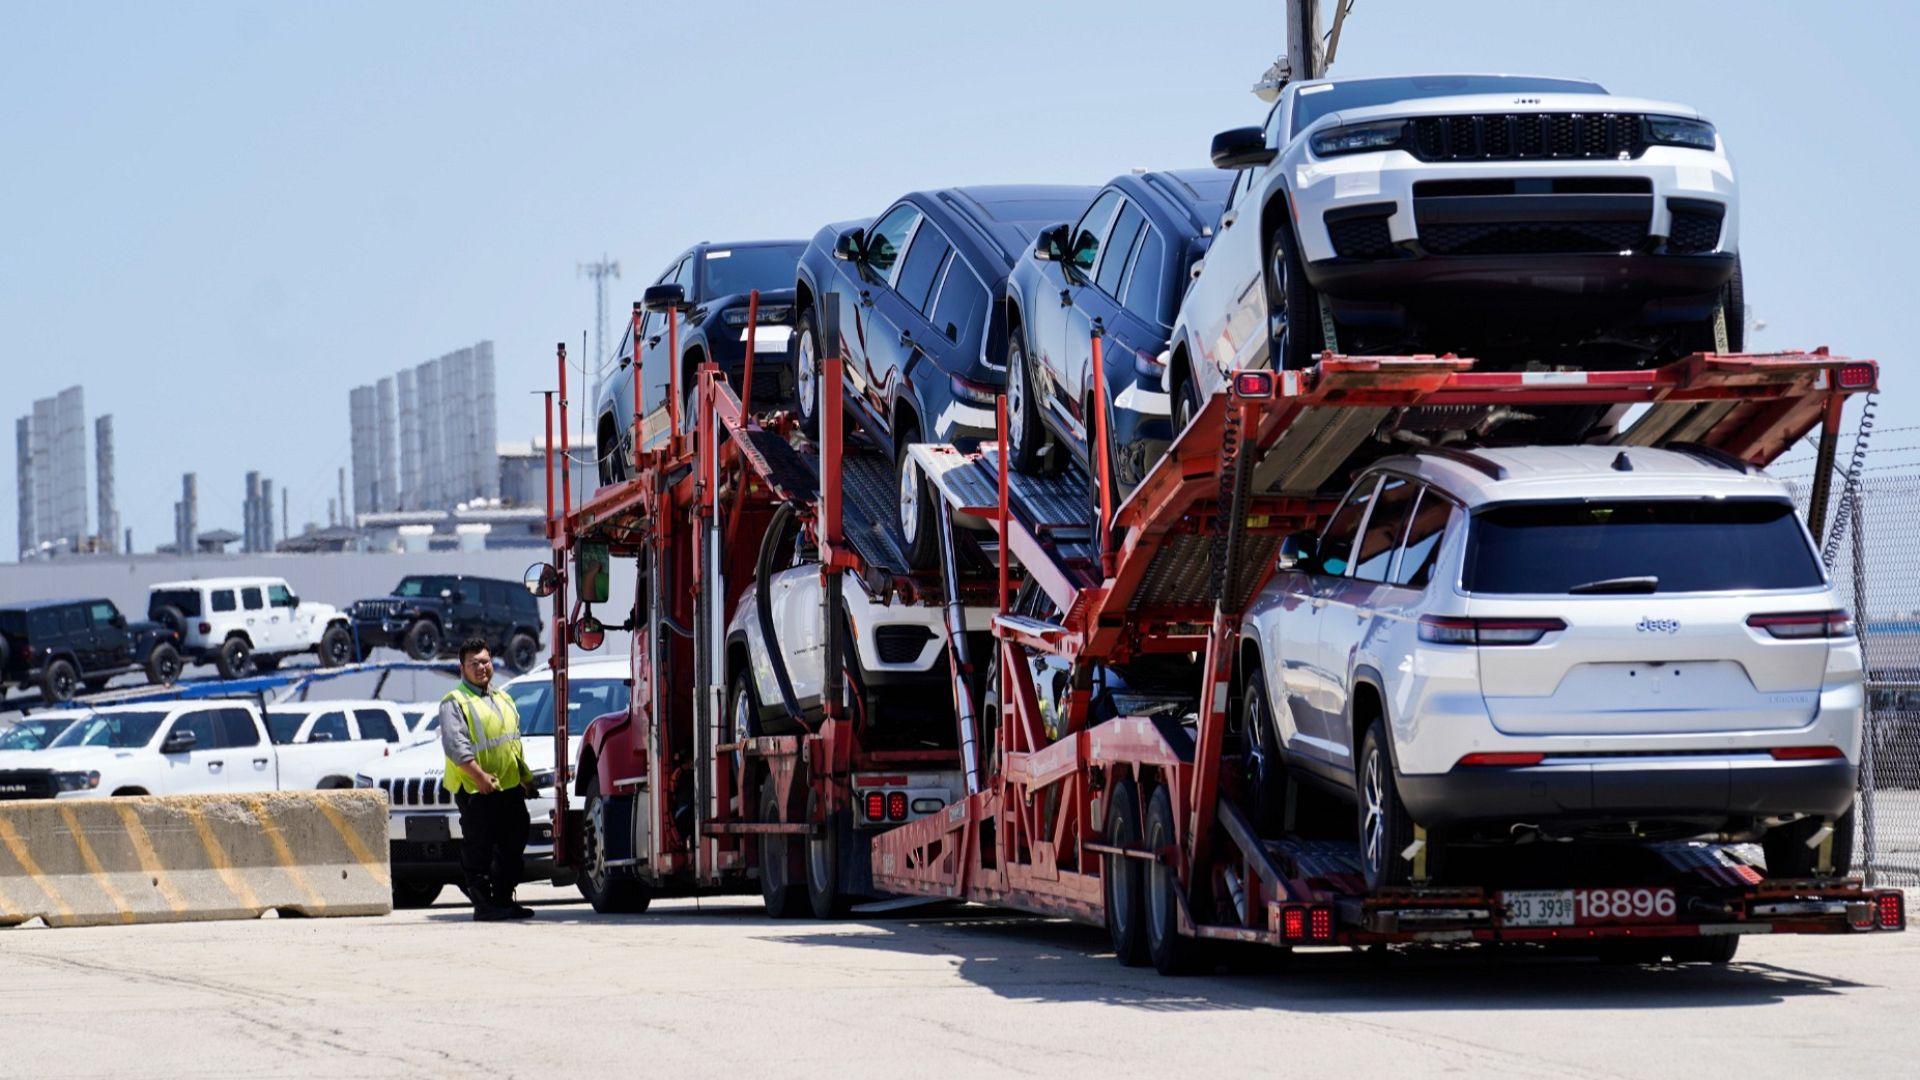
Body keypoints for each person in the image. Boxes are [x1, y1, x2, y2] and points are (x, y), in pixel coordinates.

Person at [439, 636, 536, 921]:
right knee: (478, 847)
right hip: (476, 789)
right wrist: (479, 776)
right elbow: (456, 746)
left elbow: (512, 744)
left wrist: (525, 778)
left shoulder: (503, 698)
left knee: (513, 843)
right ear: (462, 669)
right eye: (474, 664)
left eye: (485, 661)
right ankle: (483, 904)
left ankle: (504, 899)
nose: (481, 667)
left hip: (508, 788)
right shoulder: (455, 702)